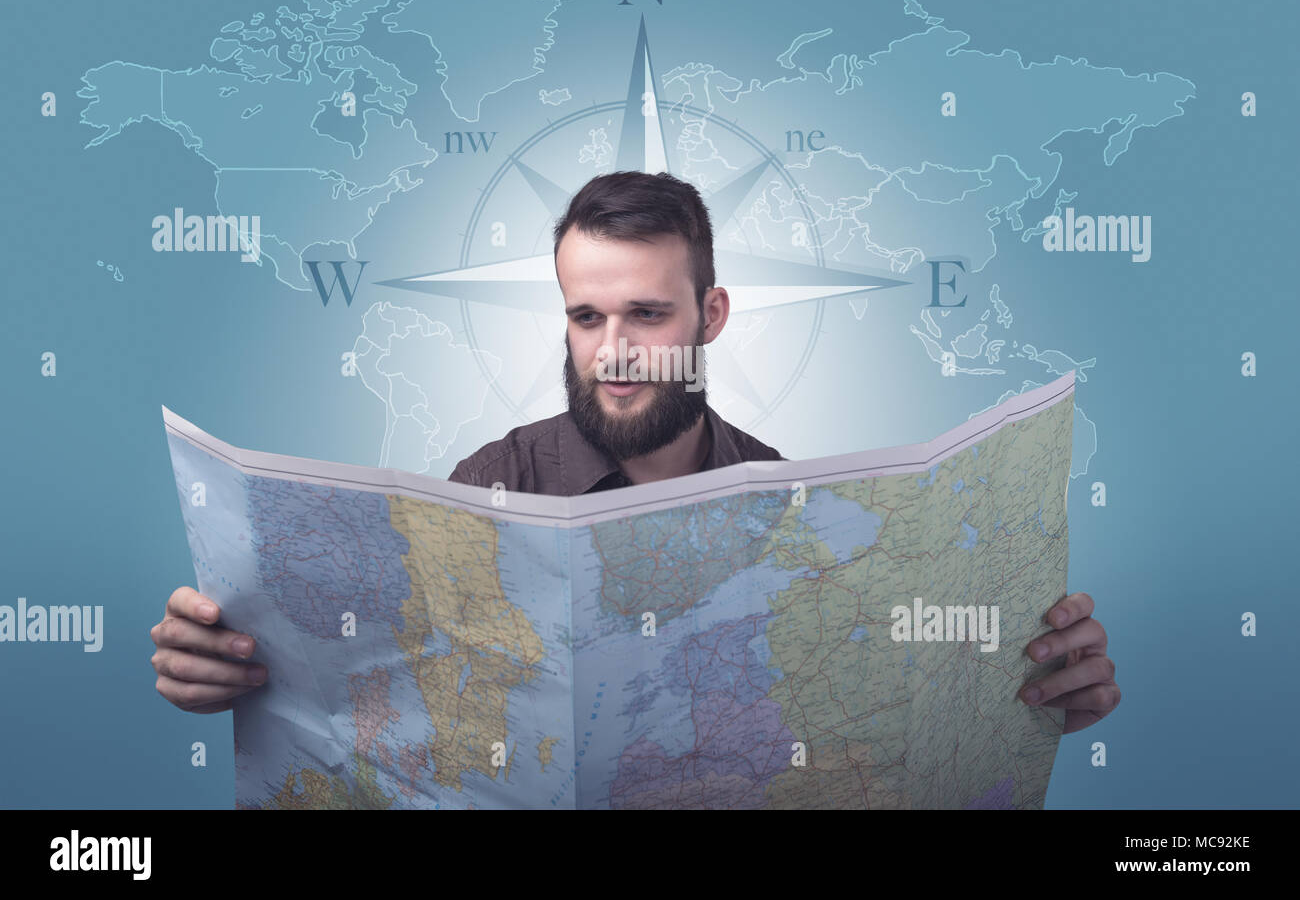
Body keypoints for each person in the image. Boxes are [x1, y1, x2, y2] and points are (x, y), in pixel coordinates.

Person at [151, 170, 1120, 736]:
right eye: (584, 315)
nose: (610, 349)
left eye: (646, 314)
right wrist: (242, 664)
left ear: (710, 315)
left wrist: (1023, 689)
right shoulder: (488, 485)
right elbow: (384, 683)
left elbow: (848, 712)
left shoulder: (786, 501)